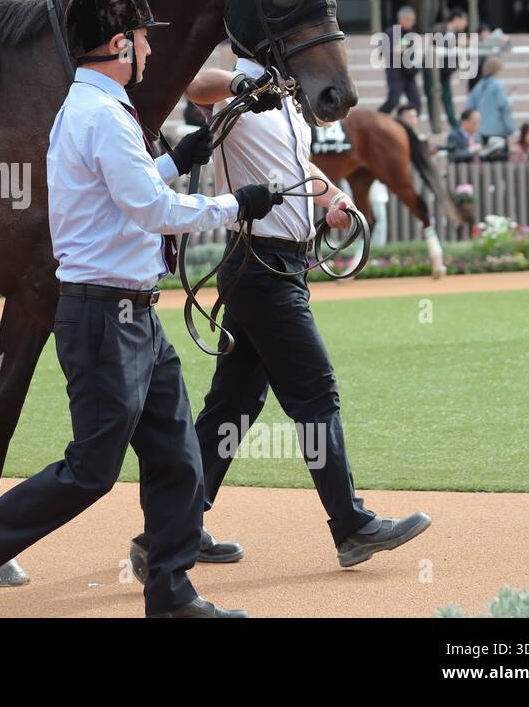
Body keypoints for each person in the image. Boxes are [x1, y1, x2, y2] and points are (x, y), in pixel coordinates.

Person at [0, 0, 280, 619]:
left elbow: (121, 193)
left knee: (177, 456)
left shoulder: (94, 109)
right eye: (145, 39)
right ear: (121, 45)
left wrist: (177, 159)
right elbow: (149, 210)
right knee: (92, 469)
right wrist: (240, 205)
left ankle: (173, 594)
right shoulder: (104, 114)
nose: (150, 51)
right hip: (104, 317)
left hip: (129, 315)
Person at [163, 56, 430, 573]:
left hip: (275, 265)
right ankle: (351, 527)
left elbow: (298, 169)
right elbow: (194, 84)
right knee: (315, 393)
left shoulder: (287, 97)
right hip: (261, 267)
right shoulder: (235, 86)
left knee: (232, 406)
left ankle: (173, 529)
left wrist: (335, 199)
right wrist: (246, 80)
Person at [464, 57, 514, 157]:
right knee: (500, 160)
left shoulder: (479, 86)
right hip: (498, 130)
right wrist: (511, 99)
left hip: (482, 130)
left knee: (485, 159)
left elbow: (469, 105)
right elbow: (504, 106)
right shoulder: (497, 85)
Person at [377, 6, 421, 115]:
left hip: (408, 73)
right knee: (393, 100)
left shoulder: (410, 33)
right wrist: (395, 50)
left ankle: (408, 126)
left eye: (413, 20)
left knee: (416, 103)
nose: (412, 22)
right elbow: (382, 50)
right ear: (402, 19)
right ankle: (376, 119)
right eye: (410, 19)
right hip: (395, 73)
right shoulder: (391, 32)